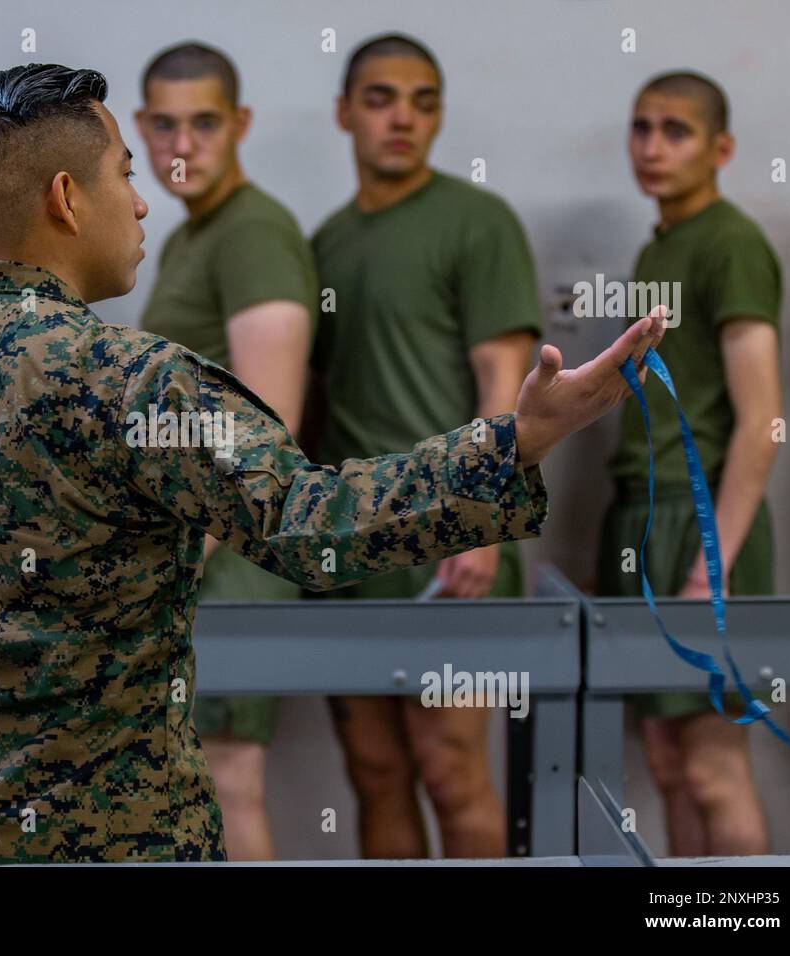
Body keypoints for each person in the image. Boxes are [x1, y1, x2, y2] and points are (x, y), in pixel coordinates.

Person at [0, 63, 666, 865]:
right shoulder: (131, 384)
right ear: (66, 199)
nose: (142, 201)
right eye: (126, 173)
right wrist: (517, 443)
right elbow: (313, 525)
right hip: (125, 839)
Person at [307, 33, 541, 859]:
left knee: (451, 771)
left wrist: (481, 523)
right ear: (344, 112)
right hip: (351, 546)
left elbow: (503, 379)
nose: (402, 118)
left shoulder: (478, 221)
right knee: (376, 772)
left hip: (455, 542)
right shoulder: (324, 243)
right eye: (381, 99)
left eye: (423, 101)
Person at [135, 41, 315, 860]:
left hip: (230, 558)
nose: (183, 145)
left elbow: (266, 437)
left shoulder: (253, 232)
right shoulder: (189, 238)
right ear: (140, 127)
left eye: (204, 123)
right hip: (198, 554)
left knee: (227, 781)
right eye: (165, 125)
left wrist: (178, 560)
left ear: (241, 123)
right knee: (191, 785)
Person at [597, 71, 781, 857]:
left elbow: (764, 421)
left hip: (702, 517)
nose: (652, 147)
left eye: (676, 131)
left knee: (712, 764)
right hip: (642, 512)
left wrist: (715, 556)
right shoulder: (658, 247)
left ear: (721, 148)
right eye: (641, 128)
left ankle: (748, 915)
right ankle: (688, 914)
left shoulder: (731, 242)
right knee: (669, 766)